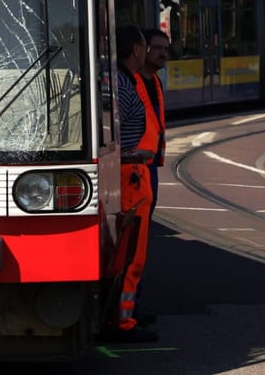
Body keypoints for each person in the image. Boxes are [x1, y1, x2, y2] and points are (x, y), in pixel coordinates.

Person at [105, 24, 160, 343]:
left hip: (133, 177)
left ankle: (125, 314)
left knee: (128, 255)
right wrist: (132, 154)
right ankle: (122, 322)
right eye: (145, 48)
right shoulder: (124, 87)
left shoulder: (123, 81)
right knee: (130, 256)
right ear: (136, 50)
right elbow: (114, 134)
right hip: (131, 181)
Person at [133, 27, 169, 325]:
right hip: (134, 169)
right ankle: (128, 308)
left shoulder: (155, 82)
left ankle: (134, 304)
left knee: (142, 242)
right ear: (142, 49)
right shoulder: (131, 81)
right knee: (134, 242)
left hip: (149, 167)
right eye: (157, 48)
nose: (162, 54)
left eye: (165, 49)